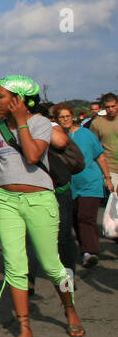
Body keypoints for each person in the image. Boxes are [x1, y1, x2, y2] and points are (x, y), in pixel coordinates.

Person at [0, 76, 83, 337]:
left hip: (39, 200)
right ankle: (25, 330)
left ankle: (69, 308)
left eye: (0, 96)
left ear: (17, 100)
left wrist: (21, 123)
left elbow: (32, 155)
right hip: (7, 201)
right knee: (14, 267)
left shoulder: (40, 123)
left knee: (52, 266)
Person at [53, 104, 109, 268]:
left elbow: (100, 157)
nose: (65, 120)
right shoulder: (55, 138)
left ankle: (90, 251)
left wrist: (107, 178)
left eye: (68, 116)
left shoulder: (86, 134)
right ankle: (85, 250)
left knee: (86, 216)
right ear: (56, 120)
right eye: (61, 117)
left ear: (73, 117)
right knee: (75, 218)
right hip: (69, 186)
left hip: (91, 182)